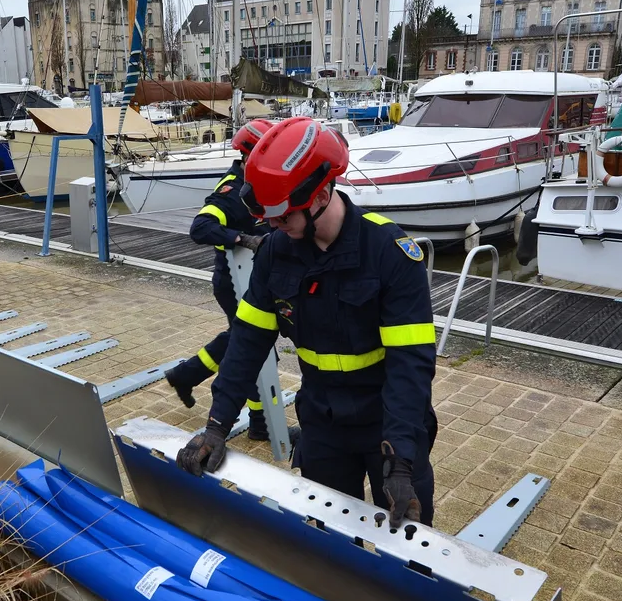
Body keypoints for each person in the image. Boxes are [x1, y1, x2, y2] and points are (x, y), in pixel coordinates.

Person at [176, 117, 438, 528]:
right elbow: (246, 343)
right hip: (323, 422)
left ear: (319, 196)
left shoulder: (388, 253)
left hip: (387, 421)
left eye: (282, 217)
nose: (272, 227)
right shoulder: (276, 253)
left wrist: (402, 459)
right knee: (332, 539)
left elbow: (412, 364)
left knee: (410, 544)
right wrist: (217, 425)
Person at [165, 119, 277, 440]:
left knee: (242, 340)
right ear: (248, 155)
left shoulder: (260, 182)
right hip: (234, 284)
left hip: (253, 280)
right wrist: (243, 239)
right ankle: (260, 423)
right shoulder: (231, 192)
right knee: (254, 345)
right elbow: (200, 227)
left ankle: (187, 374)